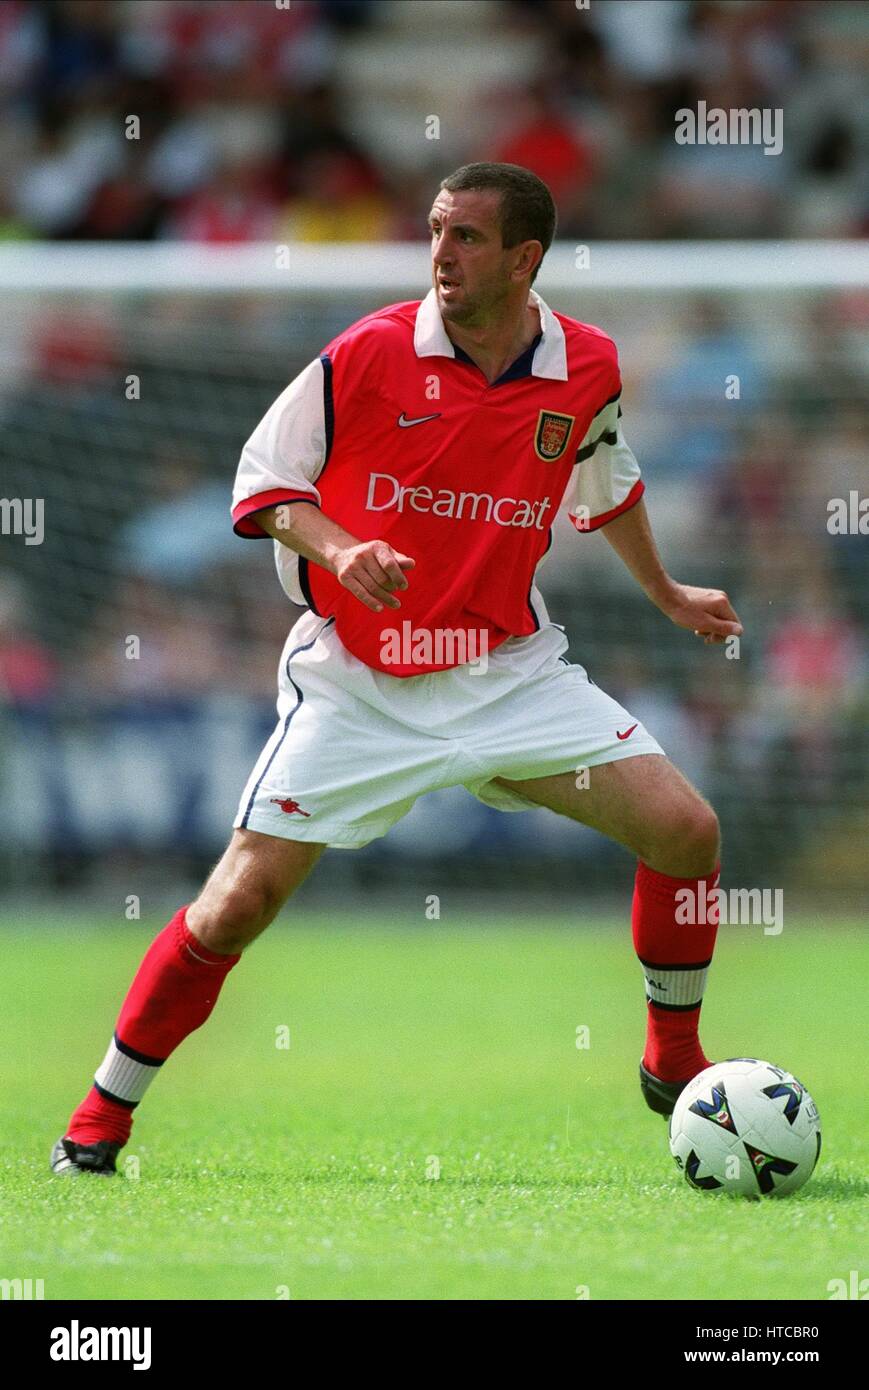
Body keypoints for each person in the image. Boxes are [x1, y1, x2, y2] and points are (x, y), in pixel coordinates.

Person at [52, 162, 742, 1176]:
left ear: (524, 258)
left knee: (686, 830)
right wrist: (338, 549)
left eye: (464, 236)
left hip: (508, 674)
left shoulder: (584, 365)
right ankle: (99, 1118)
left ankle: (669, 1061)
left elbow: (609, 478)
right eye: (433, 230)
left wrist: (668, 593)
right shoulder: (369, 352)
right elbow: (264, 483)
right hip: (360, 684)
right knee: (234, 905)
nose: (439, 253)